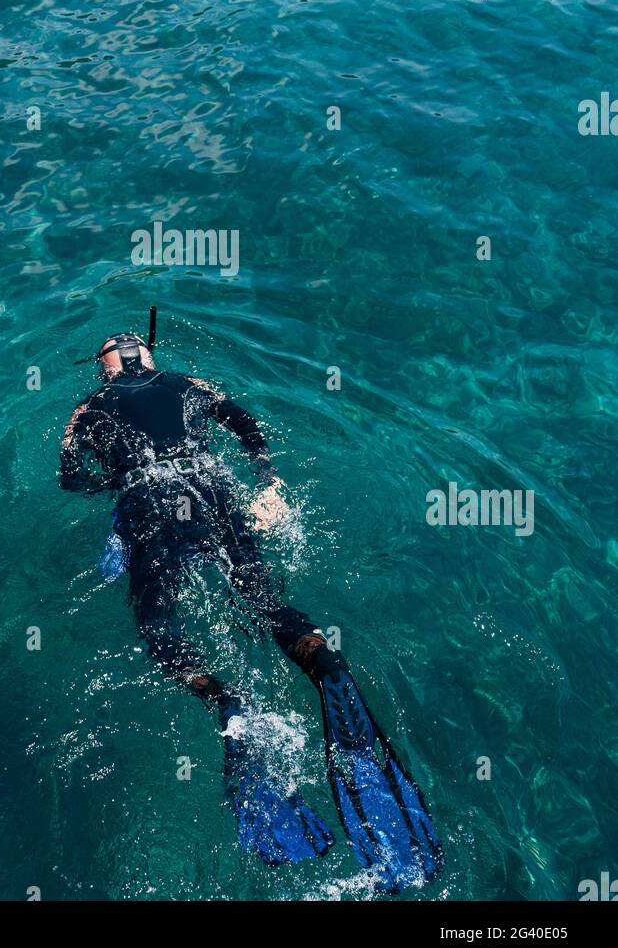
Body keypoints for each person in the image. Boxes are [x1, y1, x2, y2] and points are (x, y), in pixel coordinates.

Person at [59, 321, 442, 886]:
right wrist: (268, 482)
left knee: (163, 635)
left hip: (150, 498)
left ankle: (225, 701)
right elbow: (248, 427)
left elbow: (70, 478)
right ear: (149, 352)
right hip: (211, 488)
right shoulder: (192, 382)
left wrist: (119, 494)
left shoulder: (86, 409)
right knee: (266, 606)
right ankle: (321, 659)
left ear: (105, 365)